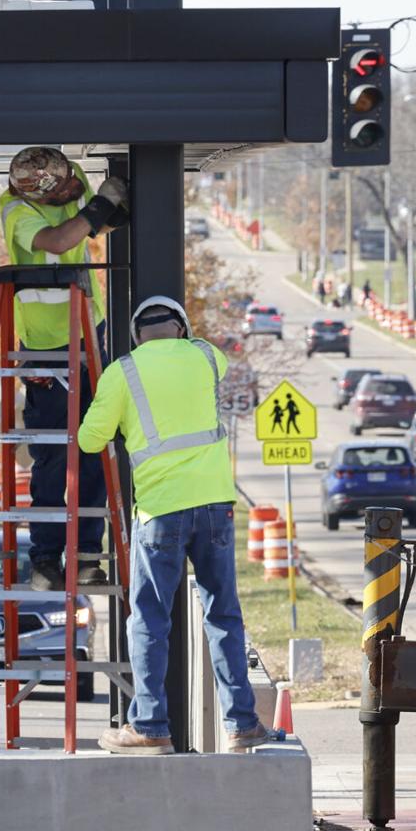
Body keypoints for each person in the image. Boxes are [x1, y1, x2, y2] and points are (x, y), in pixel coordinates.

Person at [78, 297, 269, 755]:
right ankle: (242, 725)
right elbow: (211, 359)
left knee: (149, 619)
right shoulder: (205, 356)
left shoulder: (121, 371)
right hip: (215, 503)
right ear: (180, 327)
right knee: (223, 613)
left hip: (161, 510)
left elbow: (89, 440)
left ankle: (150, 727)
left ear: (135, 336)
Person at [0, 146, 128, 591]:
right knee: (54, 457)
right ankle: (46, 560)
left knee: (93, 445)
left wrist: (109, 208)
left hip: (88, 333)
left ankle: (88, 557)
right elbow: (58, 241)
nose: (75, 191)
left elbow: (94, 224)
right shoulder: (16, 208)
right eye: (68, 189)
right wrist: (98, 208)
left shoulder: (67, 186)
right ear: (41, 191)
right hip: (45, 346)